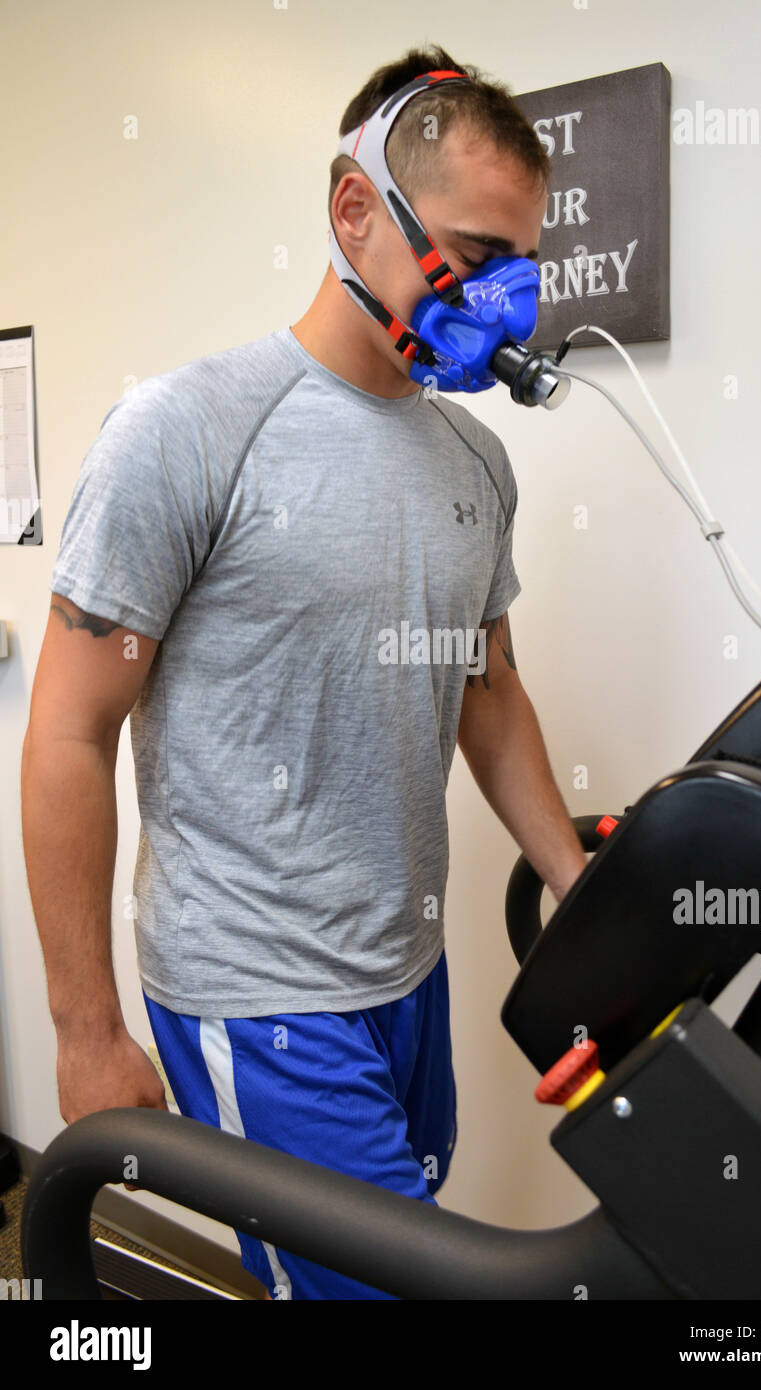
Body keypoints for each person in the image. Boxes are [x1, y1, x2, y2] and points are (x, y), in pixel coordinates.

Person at [20, 43, 587, 1300]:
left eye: (521, 266)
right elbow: (67, 729)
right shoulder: (189, 429)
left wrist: (576, 879)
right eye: (475, 255)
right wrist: (86, 1029)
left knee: (393, 1250)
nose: (504, 300)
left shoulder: (476, 466)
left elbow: (485, 691)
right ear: (352, 210)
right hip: (257, 990)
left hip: (407, 968)